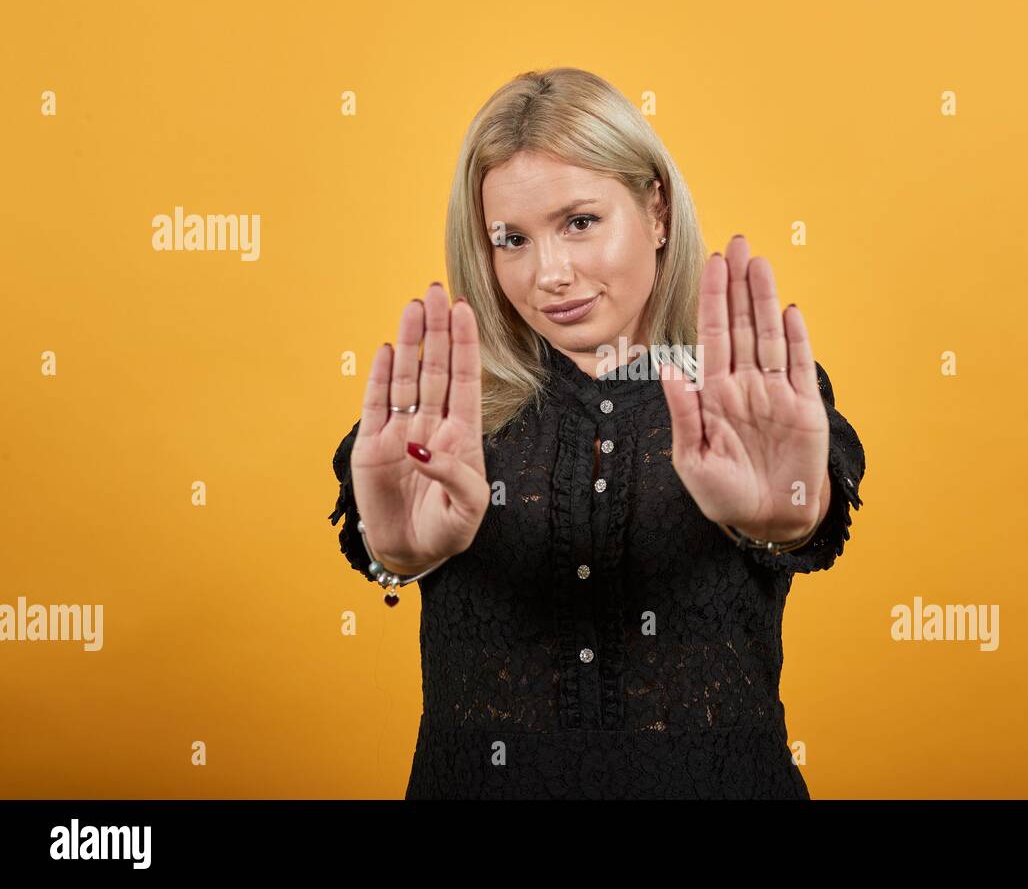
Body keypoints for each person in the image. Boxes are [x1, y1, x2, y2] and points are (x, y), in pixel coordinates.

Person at [328, 67, 866, 798]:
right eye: (510, 239)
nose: (549, 273)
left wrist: (789, 518)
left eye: (580, 222)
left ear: (657, 211)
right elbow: (378, 532)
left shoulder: (753, 397)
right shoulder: (440, 411)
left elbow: (812, 507)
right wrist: (393, 553)